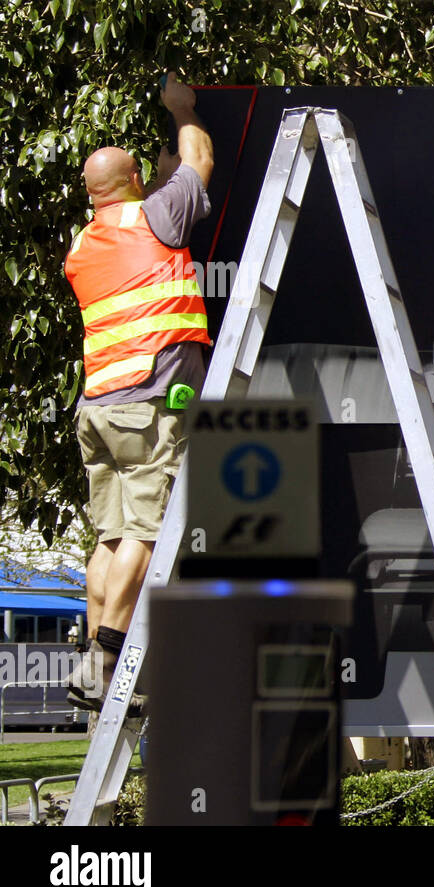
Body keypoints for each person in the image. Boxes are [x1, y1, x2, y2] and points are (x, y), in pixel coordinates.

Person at [62, 73, 215, 710]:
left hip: (97, 410)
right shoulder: (157, 215)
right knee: (148, 535)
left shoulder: (82, 245)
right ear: (132, 184)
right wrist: (182, 108)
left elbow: (151, 194)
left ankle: (86, 665)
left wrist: (150, 180)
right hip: (149, 403)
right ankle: (110, 660)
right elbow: (198, 159)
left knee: (109, 536)